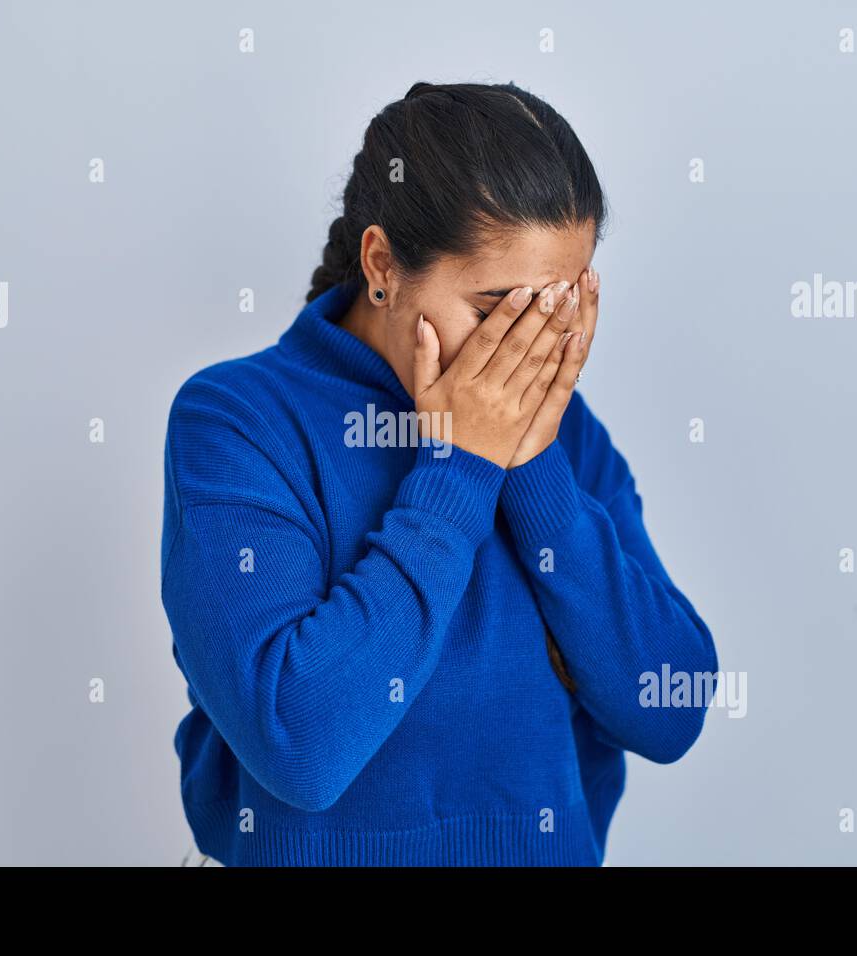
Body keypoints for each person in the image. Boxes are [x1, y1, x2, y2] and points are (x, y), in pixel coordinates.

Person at [161, 81, 718, 866]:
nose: (528, 352)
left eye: (555, 312)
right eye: (495, 312)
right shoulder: (238, 422)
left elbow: (672, 709)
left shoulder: (562, 433)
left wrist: (532, 466)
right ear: (383, 265)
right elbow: (301, 747)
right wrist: (460, 470)